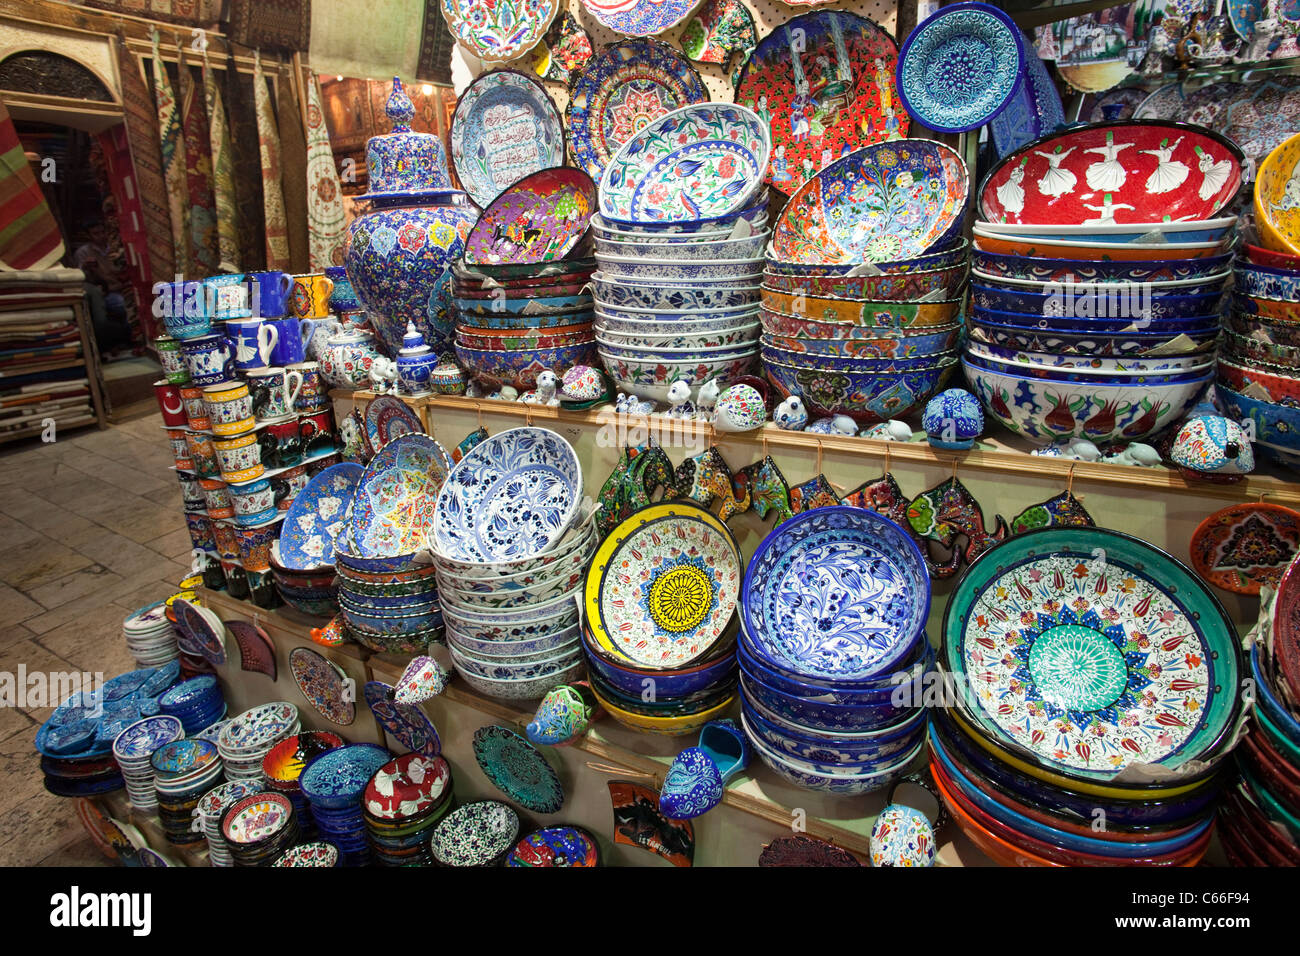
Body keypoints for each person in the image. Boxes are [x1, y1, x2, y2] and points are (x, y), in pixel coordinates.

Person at [73, 219, 132, 354]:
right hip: (106, 291)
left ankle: (131, 338)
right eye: (96, 233)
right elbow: (80, 277)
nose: (101, 236)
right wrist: (86, 267)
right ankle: (124, 339)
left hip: (123, 286)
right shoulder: (83, 252)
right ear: (89, 236)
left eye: (102, 232)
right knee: (121, 303)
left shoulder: (115, 248)